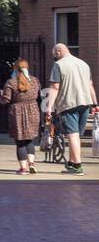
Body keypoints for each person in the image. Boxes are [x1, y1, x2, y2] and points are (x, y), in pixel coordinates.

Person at [43, 42, 98, 176]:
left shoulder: (59, 65)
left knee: (72, 134)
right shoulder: (84, 64)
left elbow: (55, 87)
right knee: (76, 135)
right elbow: (90, 85)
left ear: (58, 52)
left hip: (69, 103)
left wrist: (49, 107)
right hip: (86, 103)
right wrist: (95, 104)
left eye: (54, 55)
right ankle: (72, 163)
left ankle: (78, 166)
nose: (54, 58)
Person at [0, 58, 40, 175]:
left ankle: (23, 169)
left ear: (15, 69)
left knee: (20, 141)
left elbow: (6, 100)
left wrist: (1, 97)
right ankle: (32, 164)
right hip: (33, 110)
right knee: (29, 140)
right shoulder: (35, 81)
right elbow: (37, 95)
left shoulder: (11, 82)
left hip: (17, 112)